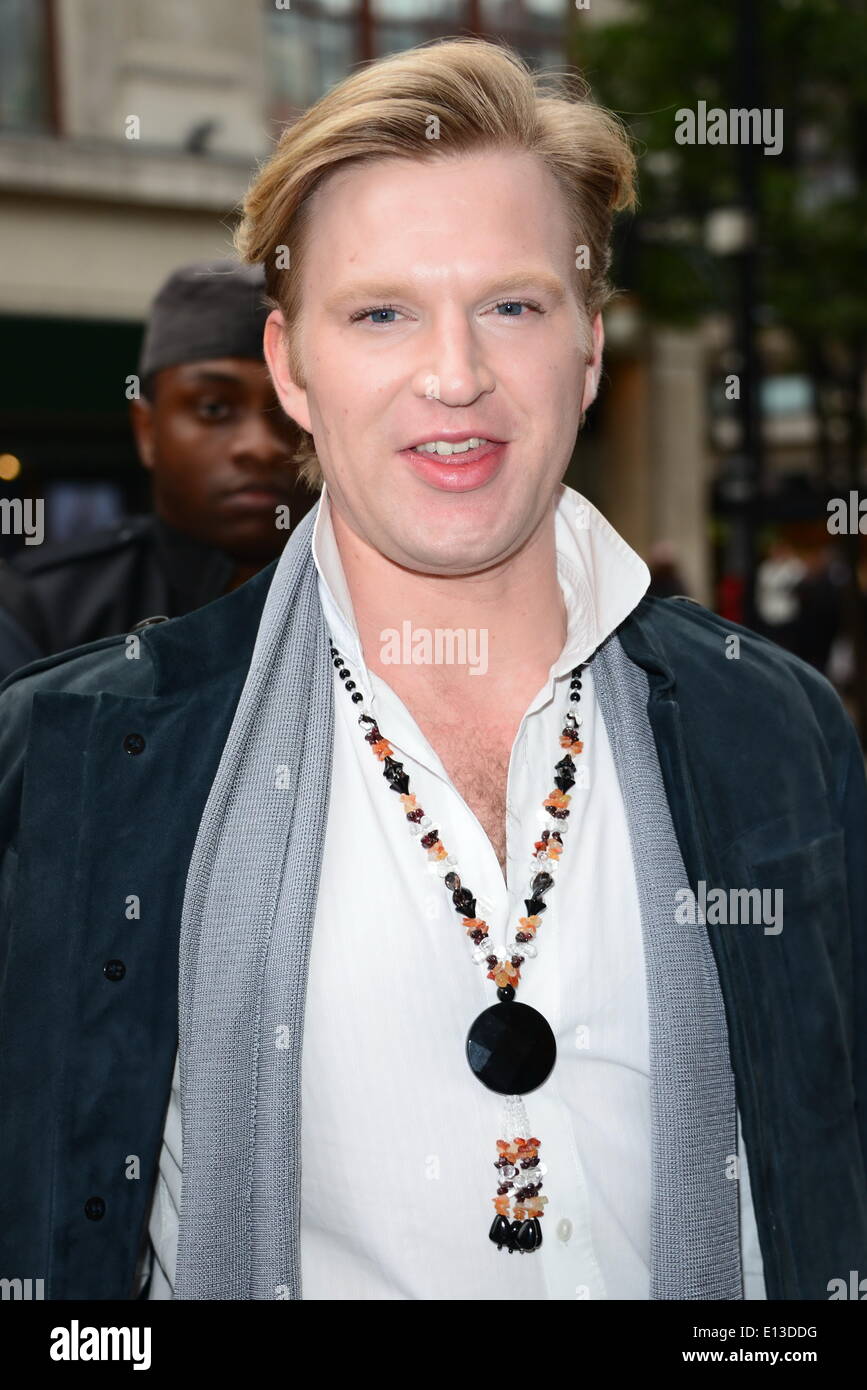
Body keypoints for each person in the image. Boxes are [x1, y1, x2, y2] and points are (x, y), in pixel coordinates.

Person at [0, 38, 864, 1303]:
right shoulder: (73, 753)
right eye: (383, 311)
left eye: (512, 305)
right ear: (294, 365)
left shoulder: (777, 727)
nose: (453, 375)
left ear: (587, 348)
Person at [0, 260, 311, 680]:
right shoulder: (41, 608)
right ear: (147, 430)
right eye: (213, 408)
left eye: (286, 411)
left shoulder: (388, 600)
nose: (258, 447)